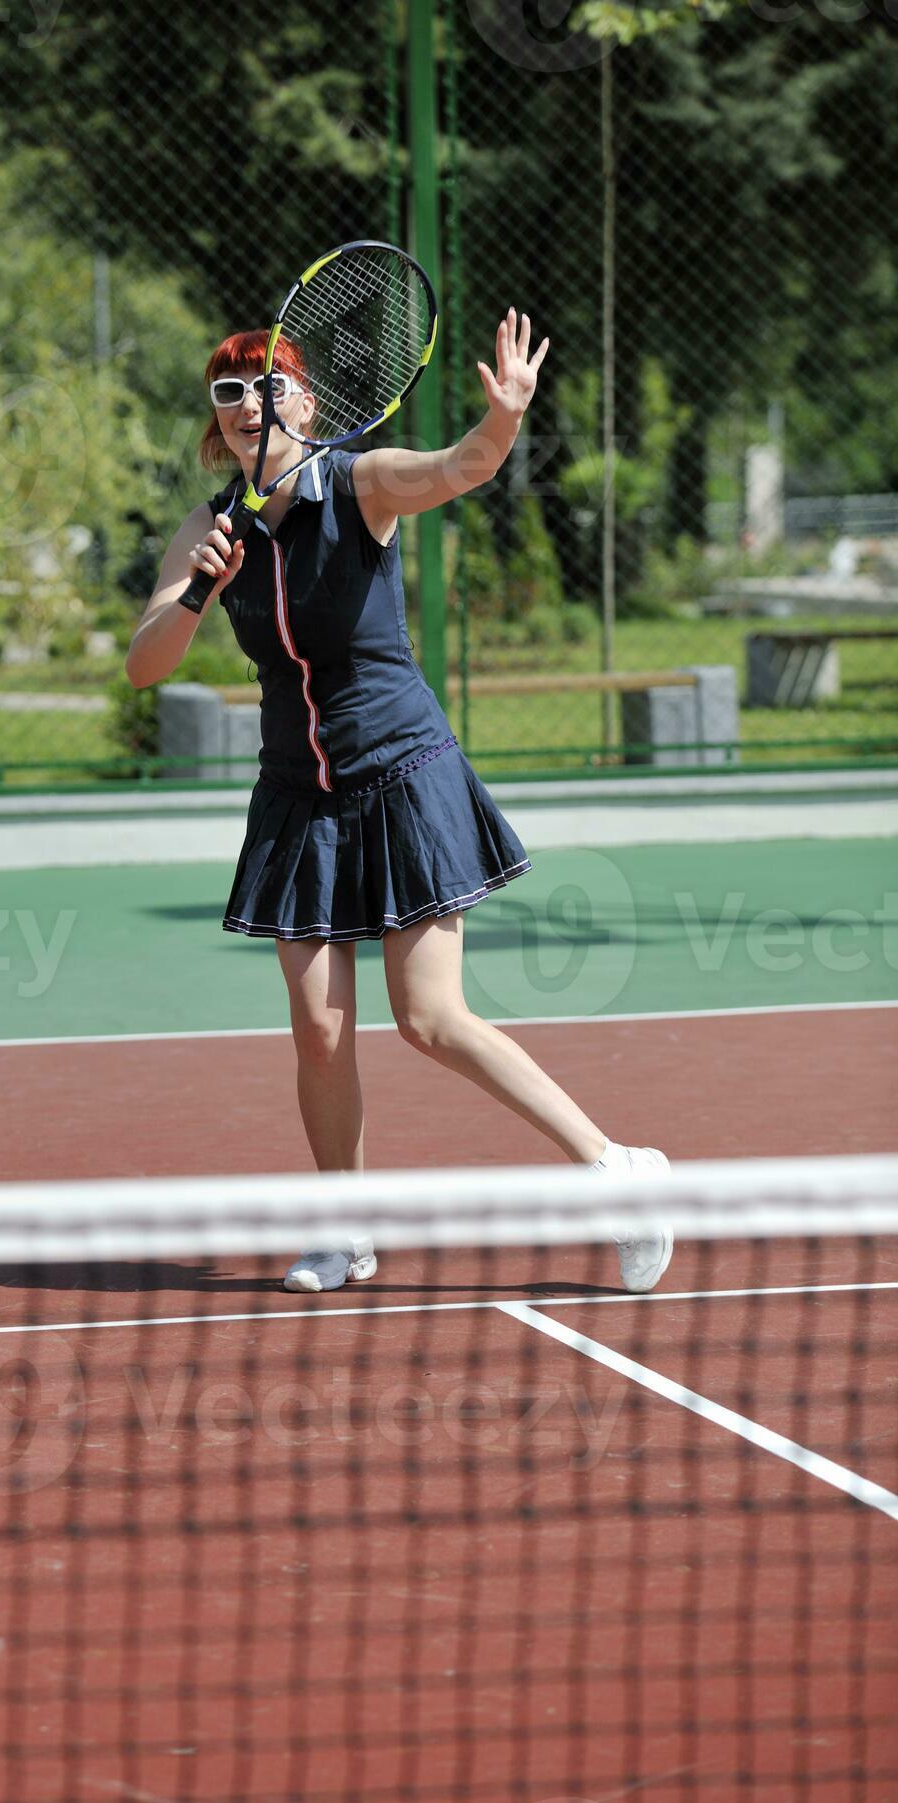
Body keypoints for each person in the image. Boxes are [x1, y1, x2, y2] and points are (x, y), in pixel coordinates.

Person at [126, 309, 671, 1293]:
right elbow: (144, 662)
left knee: (429, 1017)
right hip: (299, 793)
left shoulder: (360, 483)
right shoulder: (210, 527)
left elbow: (457, 468)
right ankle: (346, 1229)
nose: (250, 403)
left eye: (269, 383)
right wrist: (200, 590)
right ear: (216, 426)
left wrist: (502, 418)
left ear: (307, 401)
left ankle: (620, 1170)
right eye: (228, 392)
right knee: (320, 1029)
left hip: (401, 772)